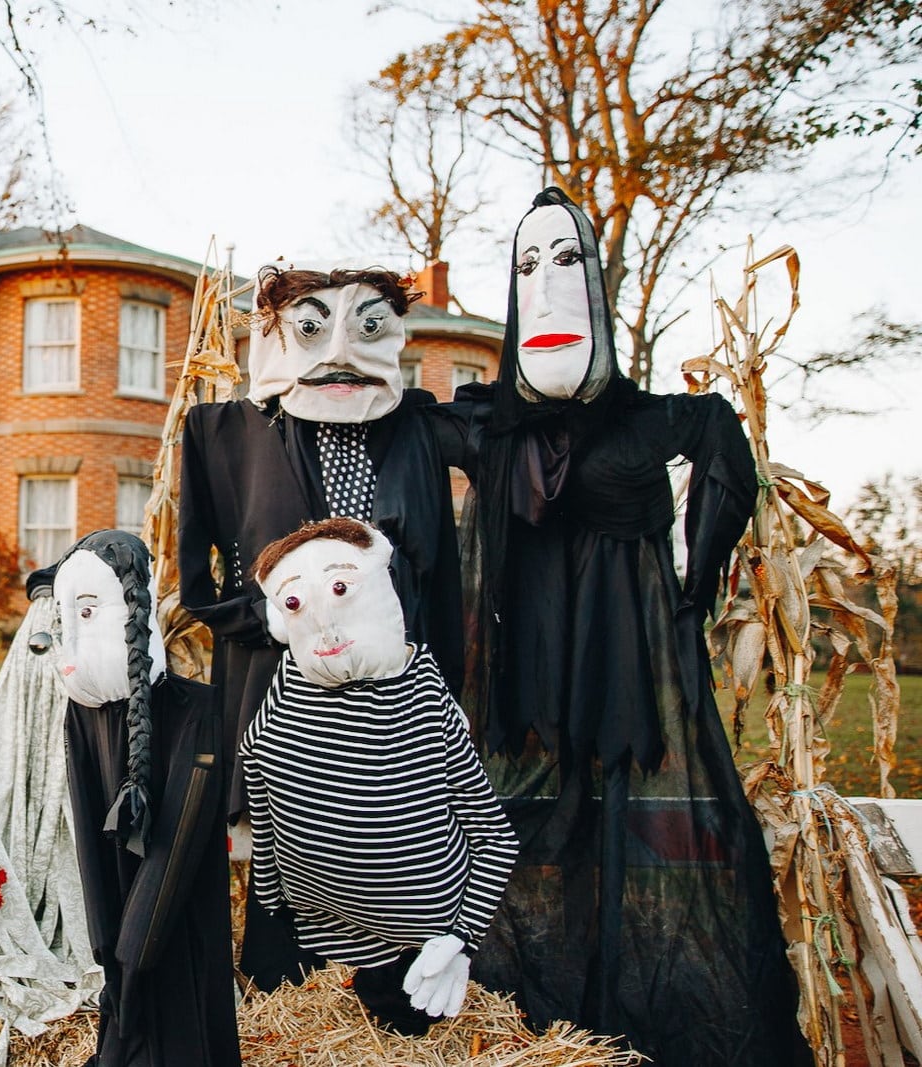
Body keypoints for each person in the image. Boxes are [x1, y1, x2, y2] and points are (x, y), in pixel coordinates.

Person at [432, 187, 809, 1065]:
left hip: (629, 672)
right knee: (521, 837)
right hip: (524, 680)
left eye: (570, 262)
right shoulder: (483, 424)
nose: (551, 285)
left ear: (600, 288)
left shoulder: (660, 424)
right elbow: (388, 438)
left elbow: (722, 456)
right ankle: (517, 1016)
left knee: (631, 830)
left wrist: (690, 563)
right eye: (529, 266)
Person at [177, 263, 463, 989]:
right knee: (291, 840)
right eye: (312, 327)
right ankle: (285, 978)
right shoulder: (224, 433)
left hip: (394, 693)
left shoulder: (417, 428)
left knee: (397, 831)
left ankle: (393, 976)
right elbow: (197, 580)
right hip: (280, 687)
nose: (337, 351)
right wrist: (271, 622)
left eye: (363, 327)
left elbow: (440, 573)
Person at [241, 517, 517, 1035]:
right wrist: (272, 892)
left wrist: (462, 936)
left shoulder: (421, 701)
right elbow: (260, 780)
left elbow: (494, 837)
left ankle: (400, 993)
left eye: (341, 589)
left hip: (425, 928)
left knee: (412, 1008)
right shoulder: (286, 693)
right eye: (294, 603)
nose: (325, 627)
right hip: (323, 917)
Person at [43, 530, 240, 1067]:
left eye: (88, 613)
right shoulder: (82, 717)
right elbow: (90, 840)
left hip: (170, 944)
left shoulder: (194, 712)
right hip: (123, 972)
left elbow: (174, 857)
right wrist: (110, 949)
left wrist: (131, 956)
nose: (72, 645)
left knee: (173, 979)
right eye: (66, 617)